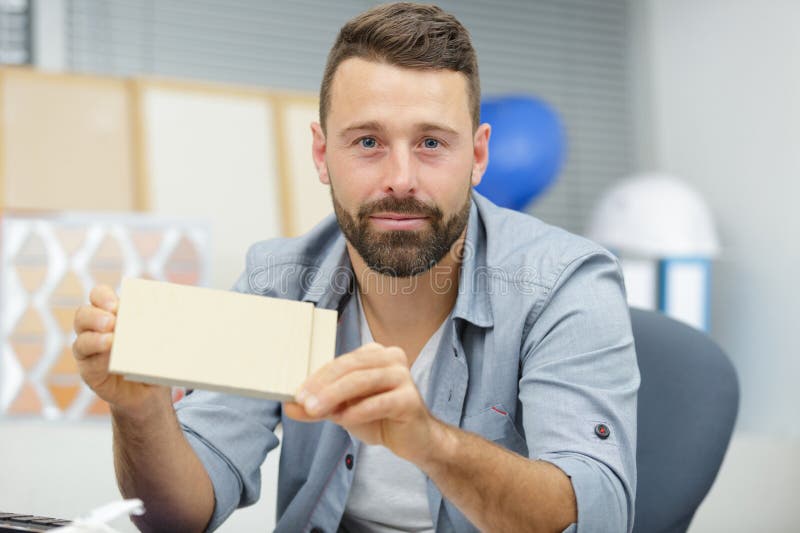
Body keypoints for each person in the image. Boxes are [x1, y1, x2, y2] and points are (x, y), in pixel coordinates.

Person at [72, 3, 639, 532]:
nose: (400, 178)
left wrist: (430, 443)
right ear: (322, 153)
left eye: (432, 143)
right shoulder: (278, 282)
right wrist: (141, 412)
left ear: (479, 155)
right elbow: (180, 518)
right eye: (368, 141)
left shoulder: (566, 283)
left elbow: (598, 511)